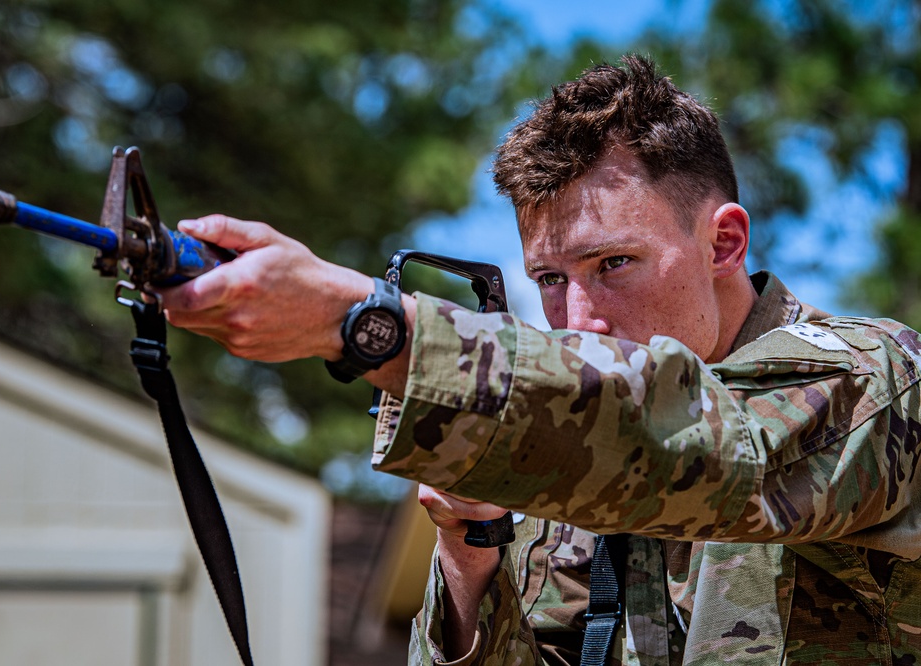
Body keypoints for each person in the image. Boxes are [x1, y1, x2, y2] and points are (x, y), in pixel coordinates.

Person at [157, 54, 921, 665]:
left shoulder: (873, 380)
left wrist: (364, 326)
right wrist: (471, 543)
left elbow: (703, 445)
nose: (579, 318)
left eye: (614, 263)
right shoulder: (573, 473)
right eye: (551, 280)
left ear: (722, 242)